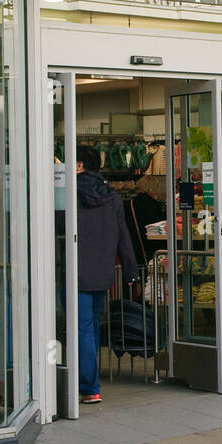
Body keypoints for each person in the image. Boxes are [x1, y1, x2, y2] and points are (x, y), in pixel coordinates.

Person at [75, 146, 139, 404]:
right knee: (90, 325)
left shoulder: (68, 193)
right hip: (102, 272)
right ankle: (90, 382)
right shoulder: (112, 197)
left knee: (81, 328)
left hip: (75, 270)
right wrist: (130, 271)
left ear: (79, 165)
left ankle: (89, 386)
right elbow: (124, 236)